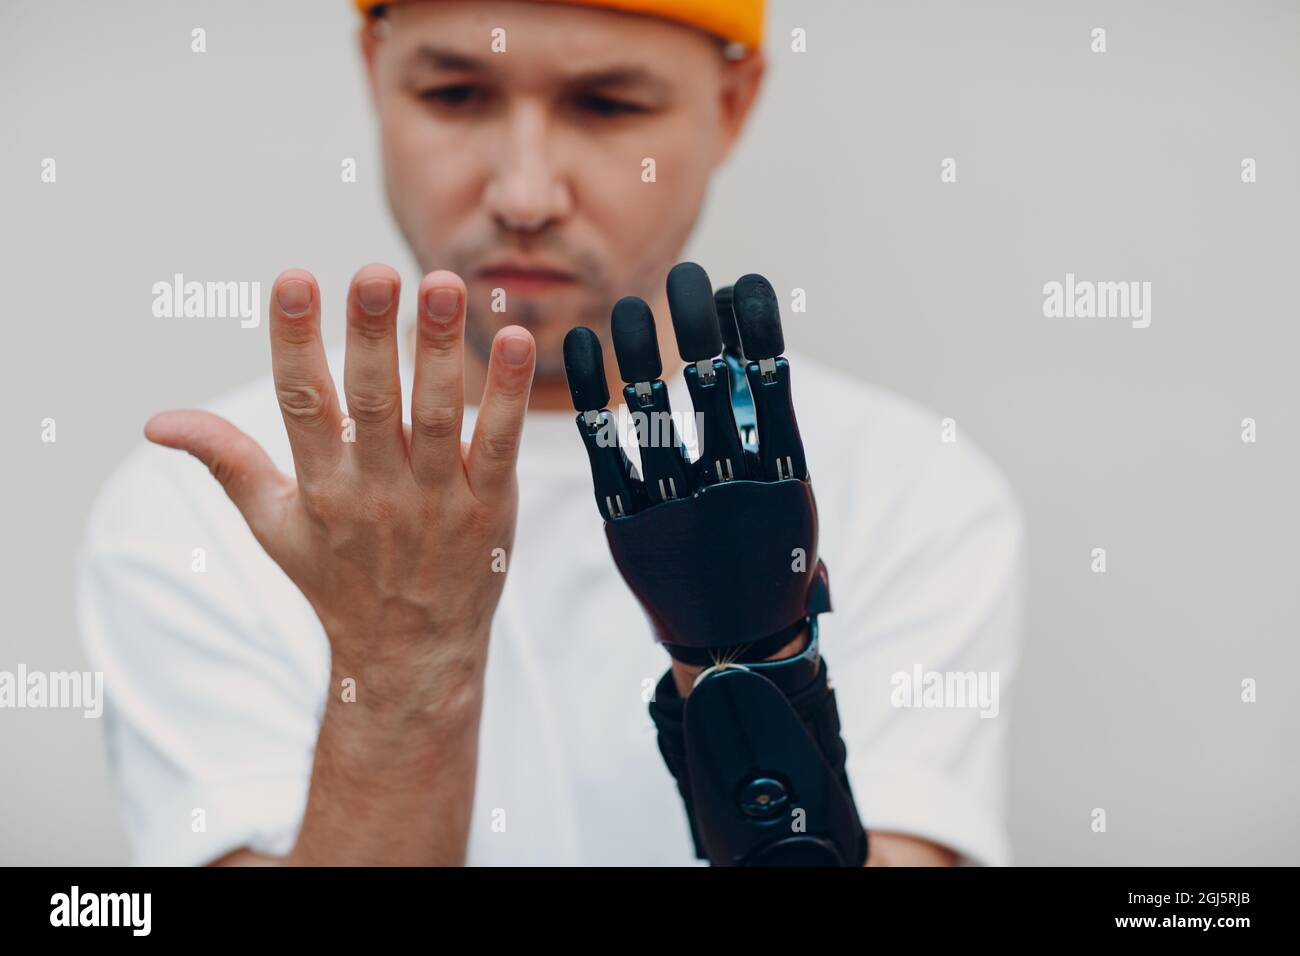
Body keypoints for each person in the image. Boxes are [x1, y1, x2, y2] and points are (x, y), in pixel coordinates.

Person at [76, 0, 1024, 866]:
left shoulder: (909, 488)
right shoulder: (210, 506)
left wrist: (755, 675)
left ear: (732, 105)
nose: (524, 197)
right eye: (454, 94)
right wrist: (404, 659)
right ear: (374, 72)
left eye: (607, 105)